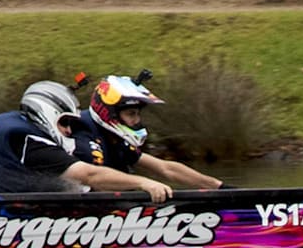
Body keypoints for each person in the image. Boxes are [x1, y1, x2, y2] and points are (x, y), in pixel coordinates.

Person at [0, 80, 172, 202]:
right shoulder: (30, 139)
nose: (70, 131)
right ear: (47, 111)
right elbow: (88, 175)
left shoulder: (2, 120)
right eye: (65, 123)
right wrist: (143, 183)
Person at [72, 73, 227, 190]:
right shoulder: (83, 134)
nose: (136, 121)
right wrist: (145, 183)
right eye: (131, 114)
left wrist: (219, 187)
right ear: (110, 113)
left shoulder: (113, 137)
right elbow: (93, 178)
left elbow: (166, 168)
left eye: (138, 114)